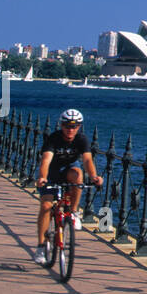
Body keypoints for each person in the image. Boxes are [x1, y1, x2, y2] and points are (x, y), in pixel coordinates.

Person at [32, 108, 104, 265]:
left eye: (74, 126)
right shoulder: (53, 139)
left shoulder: (81, 139)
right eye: (66, 126)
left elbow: (87, 160)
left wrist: (94, 176)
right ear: (61, 125)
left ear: (79, 127)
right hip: (52, 172)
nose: (70, 129)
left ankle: (73, 211)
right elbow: (45, 161)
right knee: (45, 206)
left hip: (69, 170)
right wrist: (42, 178)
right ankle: (41, 246)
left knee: (78, 175)